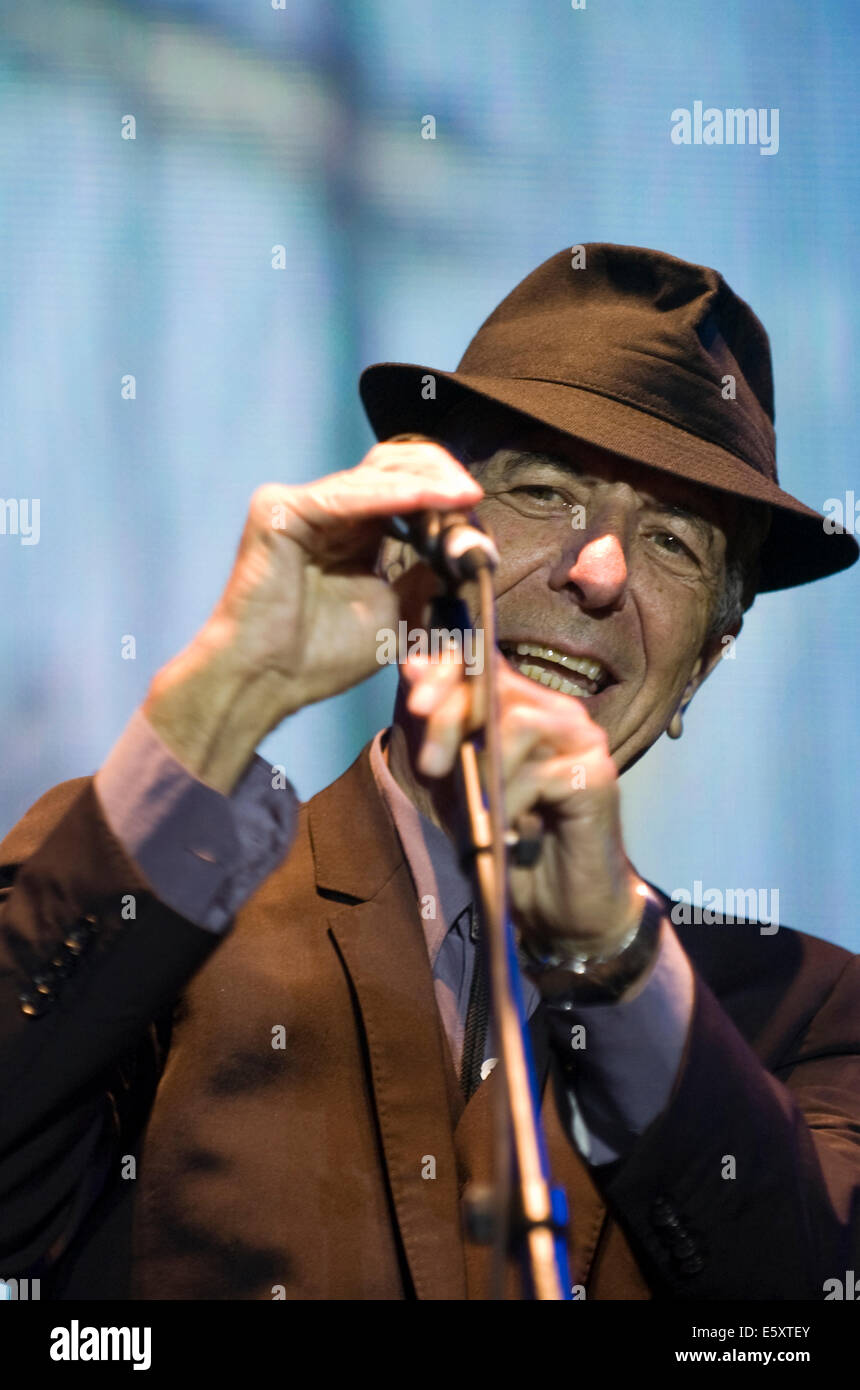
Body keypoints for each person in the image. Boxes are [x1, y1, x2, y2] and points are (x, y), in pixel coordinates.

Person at [1, 243, 859, 1301]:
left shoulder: (805, 1014)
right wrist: (230, 687)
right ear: (408, 542)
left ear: (702, 664)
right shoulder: (156, 904)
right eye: (545, 491)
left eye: (674, 542)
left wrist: (610, 959)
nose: (598, 570)